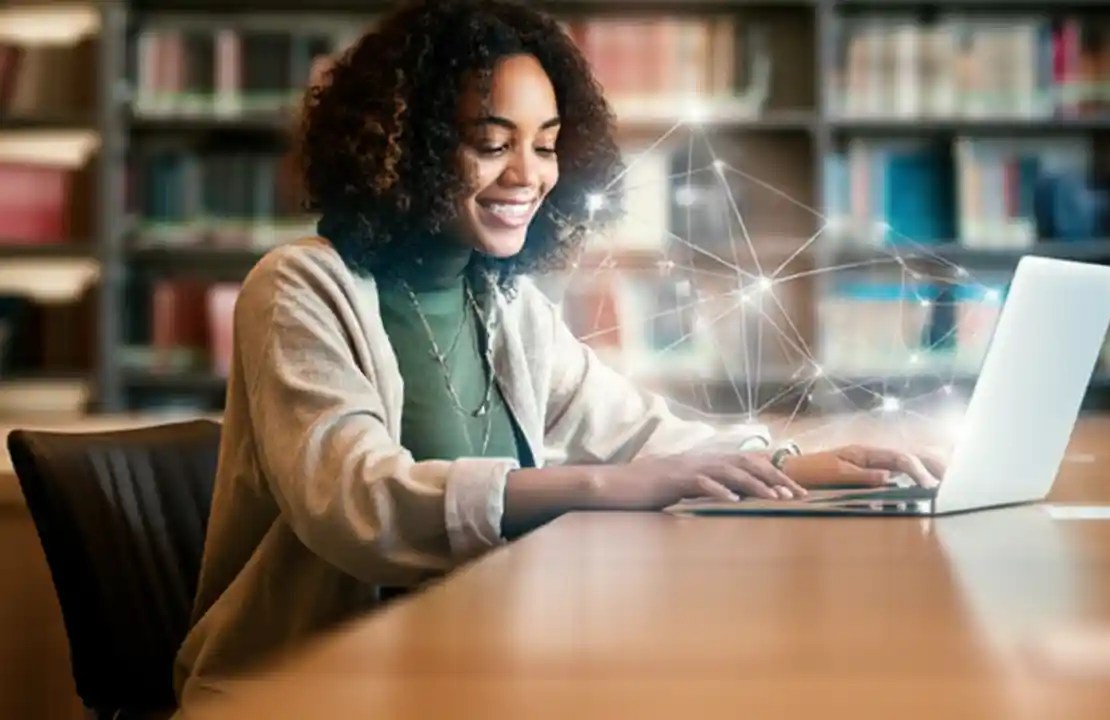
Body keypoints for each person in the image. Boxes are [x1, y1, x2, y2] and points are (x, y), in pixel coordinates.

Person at [173, 0, 944, 709]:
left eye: (545, 146)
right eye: (490, 143)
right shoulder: (300, 285)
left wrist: (794, 465)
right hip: (306, 690)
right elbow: (357, 503)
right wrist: (604, 487)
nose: (529, 175)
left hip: (471, 670)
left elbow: (644, 436)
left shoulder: (502, 304)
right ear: (405, 147)